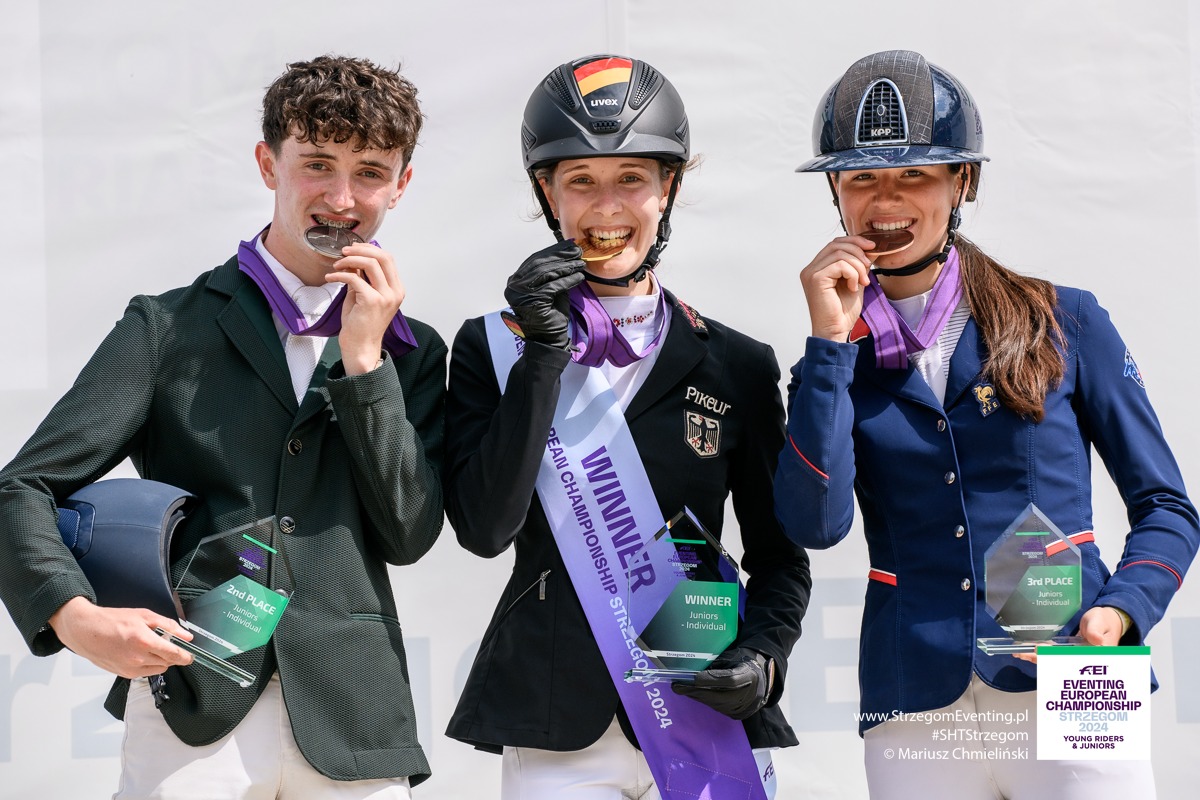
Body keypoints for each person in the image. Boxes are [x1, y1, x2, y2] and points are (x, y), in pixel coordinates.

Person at [0, 55, 446, 799]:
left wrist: (366, 365)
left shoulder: (413, 350)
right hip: (191, 697)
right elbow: (23, 485)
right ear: (268, 163)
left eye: (370, 171)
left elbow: (409, 533)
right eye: (317, 164)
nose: (342, 198)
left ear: (401, 184)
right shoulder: (167, 327)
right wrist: (73, 617)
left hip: (354, 715)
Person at [773, 49, 1199, 798]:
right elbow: (816, 525)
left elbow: (1168, 509)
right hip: (913, 698)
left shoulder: (1064, 318)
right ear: (835, 194)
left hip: (1076, 672)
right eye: (862, 177)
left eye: (914, 175)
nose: (886, 200)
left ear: (961, 180)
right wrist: (829, 348)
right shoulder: (829, 364)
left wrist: (1120, 611)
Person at [442, 54, 811, 799]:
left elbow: (781, 555)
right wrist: (542, 359)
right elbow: (484, 529)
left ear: (667, 187)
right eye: (580, 180)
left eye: (631, 179)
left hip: (705, 704)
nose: (607, 207)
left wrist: (766, 658)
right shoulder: (492, 346)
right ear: (547, 193)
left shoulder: (736, 363)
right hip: (556, 720)